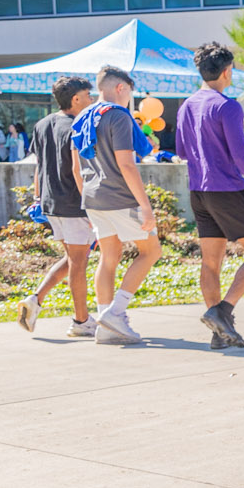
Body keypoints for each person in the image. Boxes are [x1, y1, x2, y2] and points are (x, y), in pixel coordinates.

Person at [174, 43, 244, 350]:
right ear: (227, 71)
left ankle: (219, 333)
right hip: (229, 190)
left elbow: (183, 151)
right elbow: (241, 155)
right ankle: (223, 311)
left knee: (211, 263)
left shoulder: (186, 106)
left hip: (200, 192)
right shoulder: (228, 106)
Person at [72, 68, 162, 346]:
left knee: (109, 257)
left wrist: (86, 201)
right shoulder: (119, 115)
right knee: (151, 251)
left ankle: (106, 325)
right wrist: (145, 206)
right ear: (121, 88)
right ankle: (116, 313)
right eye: (131, 94)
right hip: (120, 197)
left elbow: (76, 168)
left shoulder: (82, 116)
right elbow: (126, 164)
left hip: (93, 197)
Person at [16, 76, 96, 338]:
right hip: (74, 203)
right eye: (87, 95)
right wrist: (91, 206)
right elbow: (77, 169)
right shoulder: (77, 126)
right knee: (78, 263)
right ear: (76, 99)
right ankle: (81, 321)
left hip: (52, 204)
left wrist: (38, 199)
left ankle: (35, 300)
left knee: (74, 259)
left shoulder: (42, 124)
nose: (91, 99)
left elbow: (39, 166)